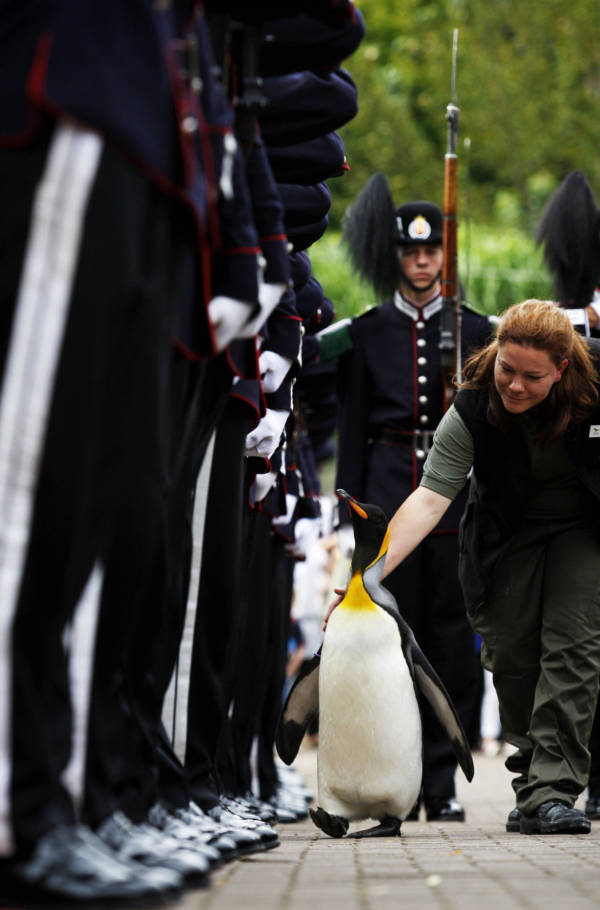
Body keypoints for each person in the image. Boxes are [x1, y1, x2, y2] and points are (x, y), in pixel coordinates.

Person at [329, 299, 600, 835]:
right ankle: (533, 783)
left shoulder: (596, 385)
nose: (514, 386)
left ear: (562, 370)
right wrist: (368, 577)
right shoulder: (474, 402)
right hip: (508, 532)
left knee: (573, 647)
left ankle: (552, 791)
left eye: (532, 377)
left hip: (583, 529)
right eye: (507, 369)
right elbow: (430, 499)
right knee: (514, 656)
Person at [333, 173, 493, 821]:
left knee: (453, 644)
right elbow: (352, 428)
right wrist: (347, 513)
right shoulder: (368, 331)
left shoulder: (477, 329)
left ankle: (442, 783)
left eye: (431, 252)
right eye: (411, 251)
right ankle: (391, 780)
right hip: (386, 498)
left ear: (443, 257)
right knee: (389, 643)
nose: (422, 261)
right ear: (396, 255)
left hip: (454, 506)